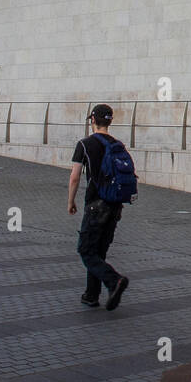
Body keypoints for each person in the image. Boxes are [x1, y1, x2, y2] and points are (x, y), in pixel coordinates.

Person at [68, 104, 130, 311]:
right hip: (115, 205)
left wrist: (71, 201)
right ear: (110, 121)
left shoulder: (85, 144)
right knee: (98, 252)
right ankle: (91, 295)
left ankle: (114, 281)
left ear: (92, 120)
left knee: (85, 250)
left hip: (95, 204)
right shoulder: (117, 144)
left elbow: (75, 177)